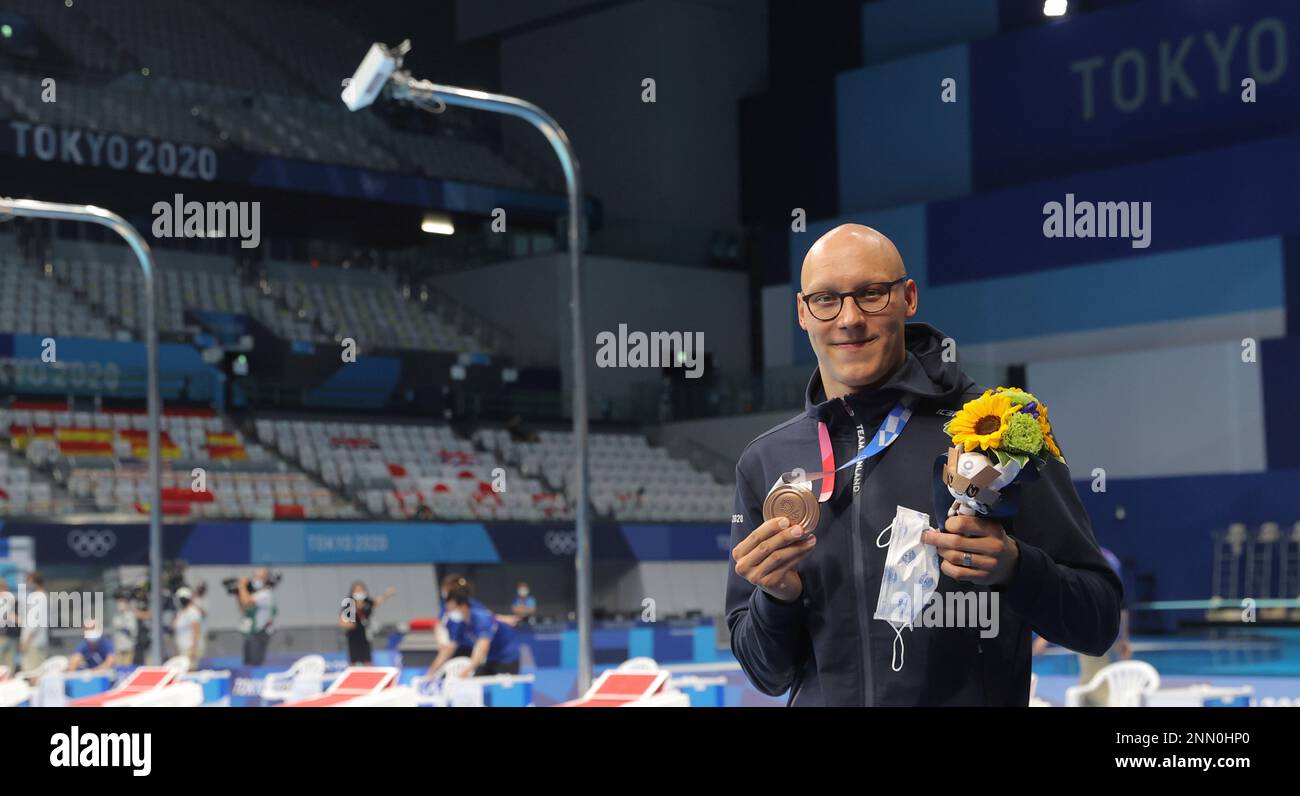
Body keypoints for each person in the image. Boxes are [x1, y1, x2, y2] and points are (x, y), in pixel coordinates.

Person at [726, 224, 1122, 706]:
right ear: (803, 313)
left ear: (908, 298)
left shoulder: (995, 429)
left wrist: (1017, 568)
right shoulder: (767, 461)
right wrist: (777, 596)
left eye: (871, 294)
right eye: (826, 300)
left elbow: (1097, 622)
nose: (849, 318)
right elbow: (768, 676)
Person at [425, 589, 520, 678]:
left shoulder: (481, 619)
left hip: (507, 656)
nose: (449, 613)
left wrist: (466, 672)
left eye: (452, 609)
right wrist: (430, 673)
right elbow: (449, 648)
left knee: (500, 690)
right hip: (491, 658)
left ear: (463, 606)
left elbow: (482, 647)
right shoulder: (459, 624)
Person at [338, 581, 395, 665]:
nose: (359, 593)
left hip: (365, 635)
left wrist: (387, 594)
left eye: (361, 590)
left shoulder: (367, 603)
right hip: (353, 636)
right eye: (357, 591)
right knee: (354, 661)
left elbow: (377, 601)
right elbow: (341, 621)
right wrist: (350, 625)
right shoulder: (349, 604)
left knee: (367, 660)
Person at [236, 568, 276, 666]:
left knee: (255, 663)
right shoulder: (255, 594)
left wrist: (242, 586)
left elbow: (247, 601)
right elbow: (244, 607)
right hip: (251, 632)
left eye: (260, 577)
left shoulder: (266, 594)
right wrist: (238, 594)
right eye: (255, 576)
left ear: (266, 579)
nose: (256, 579)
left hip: (260, 633)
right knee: (247, 663)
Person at [18, 571, 48, 673]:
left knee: (31, 672)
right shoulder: (43, 596)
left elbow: (34, 623)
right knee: (37, 671)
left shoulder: (37, 597)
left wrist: (26, 642)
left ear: (34, 582)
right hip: (38, 641)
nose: (27, 584)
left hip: (33, 643)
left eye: (28, 582)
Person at [172, 587, 203, 669]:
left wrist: (193, 649)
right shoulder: (180, 612)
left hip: (189, 648)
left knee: (190, 670)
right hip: (182, 648)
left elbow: (196, 631)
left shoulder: (193, 612)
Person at [111, 595, 138, 667]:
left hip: (128, 646)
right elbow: (115, 627)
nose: (120, 605)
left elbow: (131, 629)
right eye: (119, 603)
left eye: (122, 603)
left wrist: (123, 626)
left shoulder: (130, 615)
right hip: (118, 646)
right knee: (119, 667)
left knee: (127, 667)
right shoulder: (116, 616)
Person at [0, 577, 18, 672]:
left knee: (9, 663)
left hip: (9, 636)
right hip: (4, 636)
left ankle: (9, 683)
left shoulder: (11, 599)